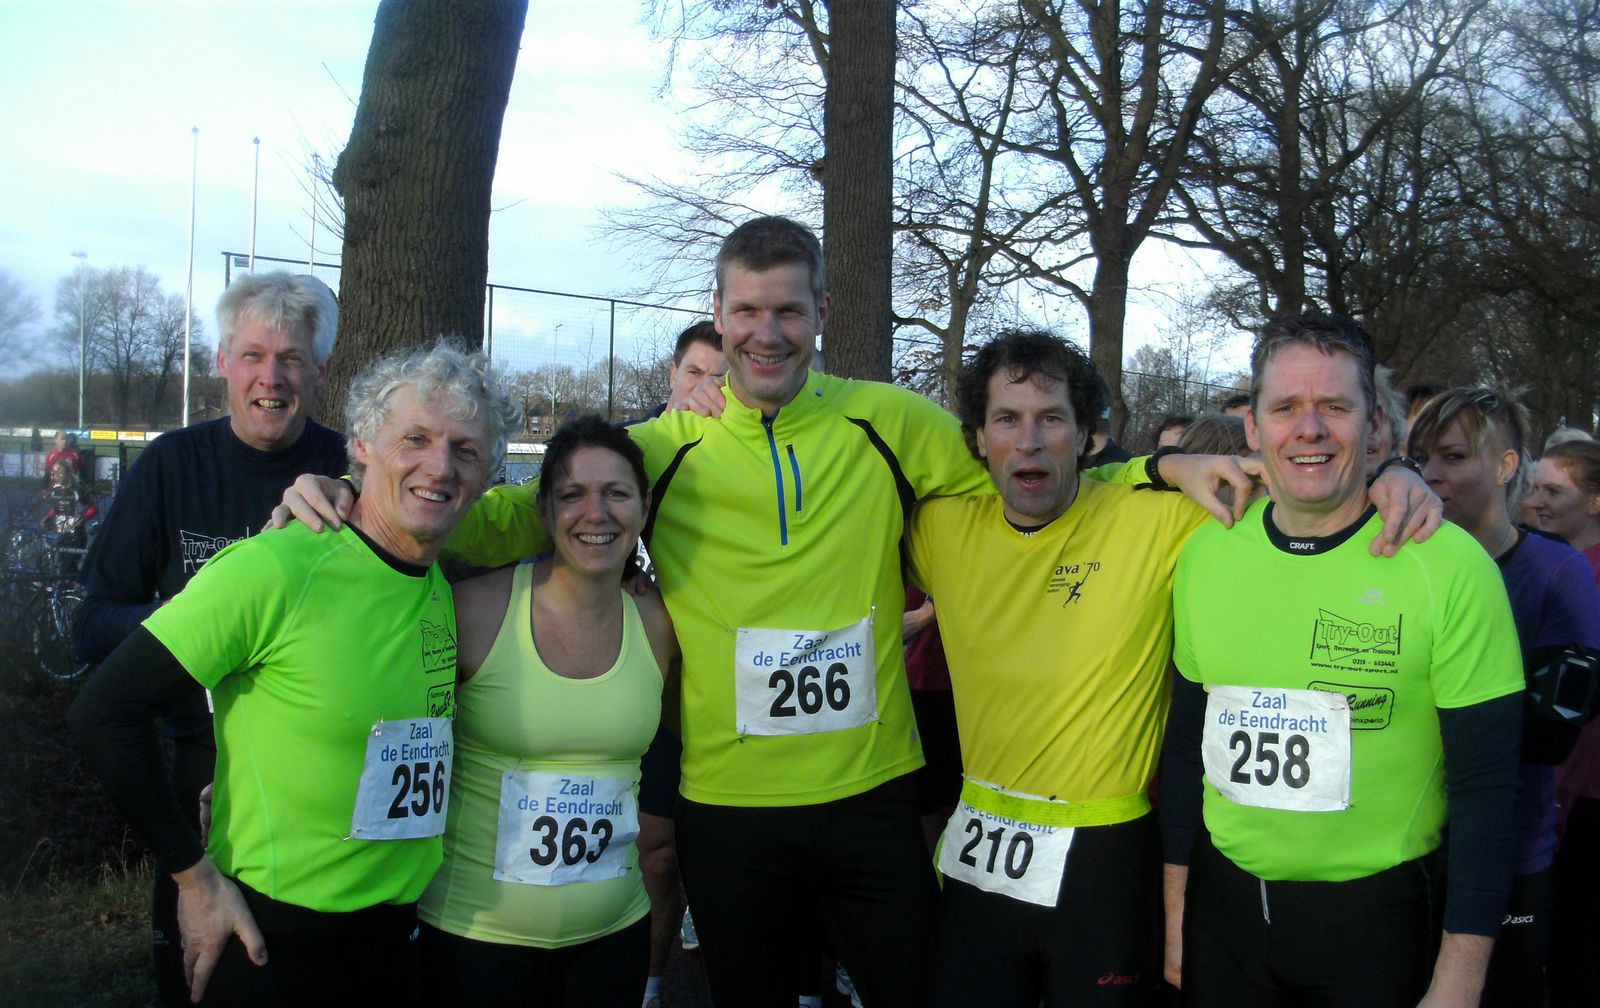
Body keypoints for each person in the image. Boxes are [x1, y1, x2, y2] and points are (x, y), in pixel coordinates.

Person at [276, 219, 1433, 1007]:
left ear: (821, 314)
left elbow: (1032, 472)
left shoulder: (891, 423)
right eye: (744, 312)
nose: (766, 332)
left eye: (788, 310)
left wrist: (1163, 471)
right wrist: (351, 494)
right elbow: (506, 517)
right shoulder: (653, 454)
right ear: (717, 321)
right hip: (732, 813)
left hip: (874, 803)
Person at [68, 340, 518, 1006]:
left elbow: (588, 496)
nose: (439, 466)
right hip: (271, 943)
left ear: (486, 476)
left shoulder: (440, 580)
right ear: (362, 446)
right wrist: (193, 880)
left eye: (466, 450)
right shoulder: (275, 568)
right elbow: (103, 713)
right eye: (414, 439)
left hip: (395, 941)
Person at [1161, 313, 1525, 1008]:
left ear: (1375, 425)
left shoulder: (1449, 567)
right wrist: (1177, 918)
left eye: (1335, 406)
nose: (1310, 429)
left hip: (1376, 924)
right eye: (1286, 407)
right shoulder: (1207, 554)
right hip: (1223, 912)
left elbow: (1488, 790)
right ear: (1252, 429)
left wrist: (1460, 979)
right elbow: (1186, 750)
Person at [71, 270, 348, 1007]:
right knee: (196, 982)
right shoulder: (170, 465)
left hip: (319, 788)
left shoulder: (354, 470)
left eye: (292, 358)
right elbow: (91, 623)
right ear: (223, 361)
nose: (271, 377)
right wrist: (201, 622)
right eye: (253, 355)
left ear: (320, 370)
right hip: (198, 776)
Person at [418, 416, 678, 1008]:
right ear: (543, 510)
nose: (597, 513)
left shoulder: (662, 623)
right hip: (476, 940)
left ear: (644, 507)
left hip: (614, 938)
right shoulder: (473, 611)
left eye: (616, 493)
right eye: (572, 495)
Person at [1408, 388, 1600, 1007]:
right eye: (1420, 458)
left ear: (1506, 466)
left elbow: (1552, 734)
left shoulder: (1554, 570)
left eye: (1453, 456)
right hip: (1401, 854)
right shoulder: (1395, 560)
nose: (1432, 473)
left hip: (1510, 855)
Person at [629, 318, 725, 1008]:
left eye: (724, 379)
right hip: (625, 682)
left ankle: (661, 980)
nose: (707, 391)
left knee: (677, 852)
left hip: (708, 688)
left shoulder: (740, 461)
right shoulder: (630, 450)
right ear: (671, 375)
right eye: (695, 374)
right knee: (648, 851)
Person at [1526, 440, 1600, 576]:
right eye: (1536, 488)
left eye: (1553, 491)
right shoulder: (1534, 560)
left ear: (1595, 502)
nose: (1535, 503)